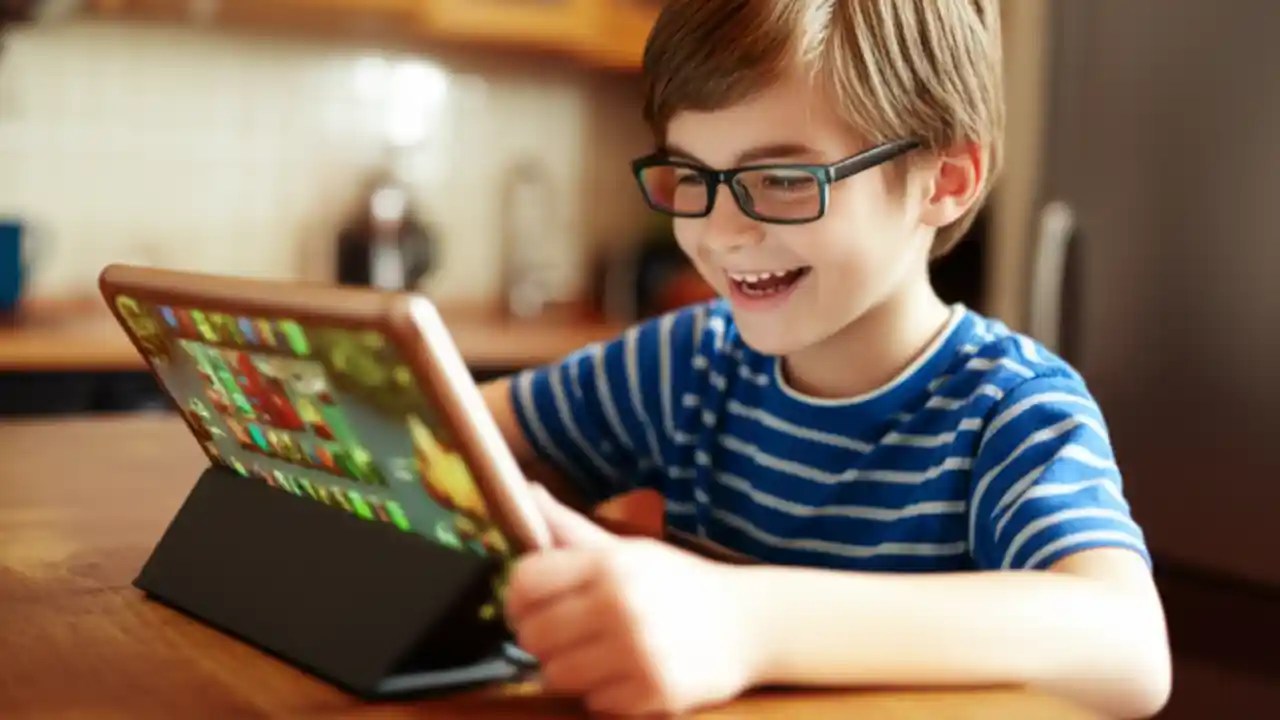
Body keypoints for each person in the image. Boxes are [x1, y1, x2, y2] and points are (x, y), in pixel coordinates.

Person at [481, 1, 1172, 716]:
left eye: (781, 178)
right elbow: (452, 427)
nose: (719, 234)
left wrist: (744, 621)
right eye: (690, 176)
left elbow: (1129, 647)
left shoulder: (1009, 408)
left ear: (946, 179)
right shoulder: (686, 363)